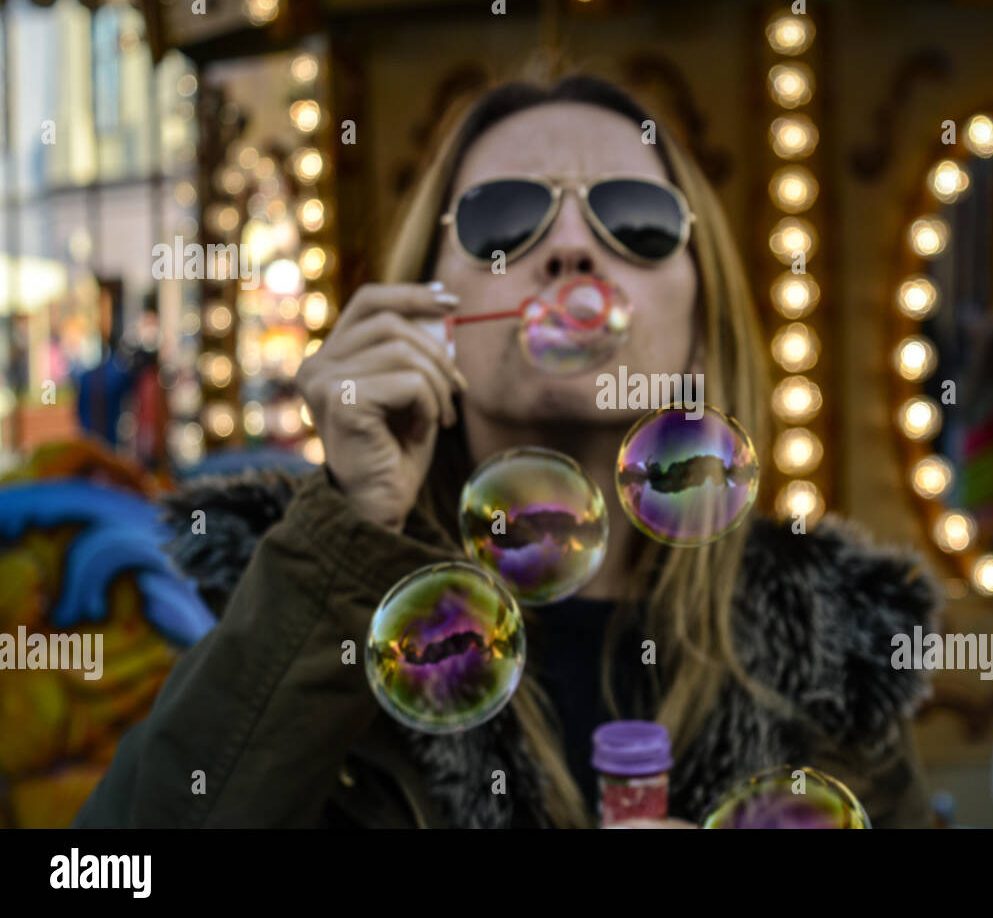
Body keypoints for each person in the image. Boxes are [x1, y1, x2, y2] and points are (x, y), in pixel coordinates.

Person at [75, 73, 938, 829]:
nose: (569, 248)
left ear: (703, 329)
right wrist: (345, 537)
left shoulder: (828, 647)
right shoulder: (306, 610)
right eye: (506, 218)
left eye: (635, 222)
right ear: (427, 300)